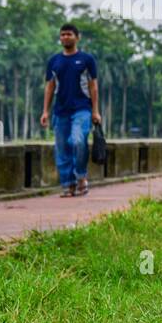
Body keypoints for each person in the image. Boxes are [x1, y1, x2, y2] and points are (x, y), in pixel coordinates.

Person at [39, 23, 101, 197]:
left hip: (82, 109)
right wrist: (45, 111)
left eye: (69, 34)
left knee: (78, 140)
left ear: (77, 37)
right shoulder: (54, 61)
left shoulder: (87, 60)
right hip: (61, 111)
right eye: (63, 35)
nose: (65, 37)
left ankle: (81, 176)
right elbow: (49, 87)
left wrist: (95, 111)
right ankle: (68, 185)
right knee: (62, 148)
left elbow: (93, 86)